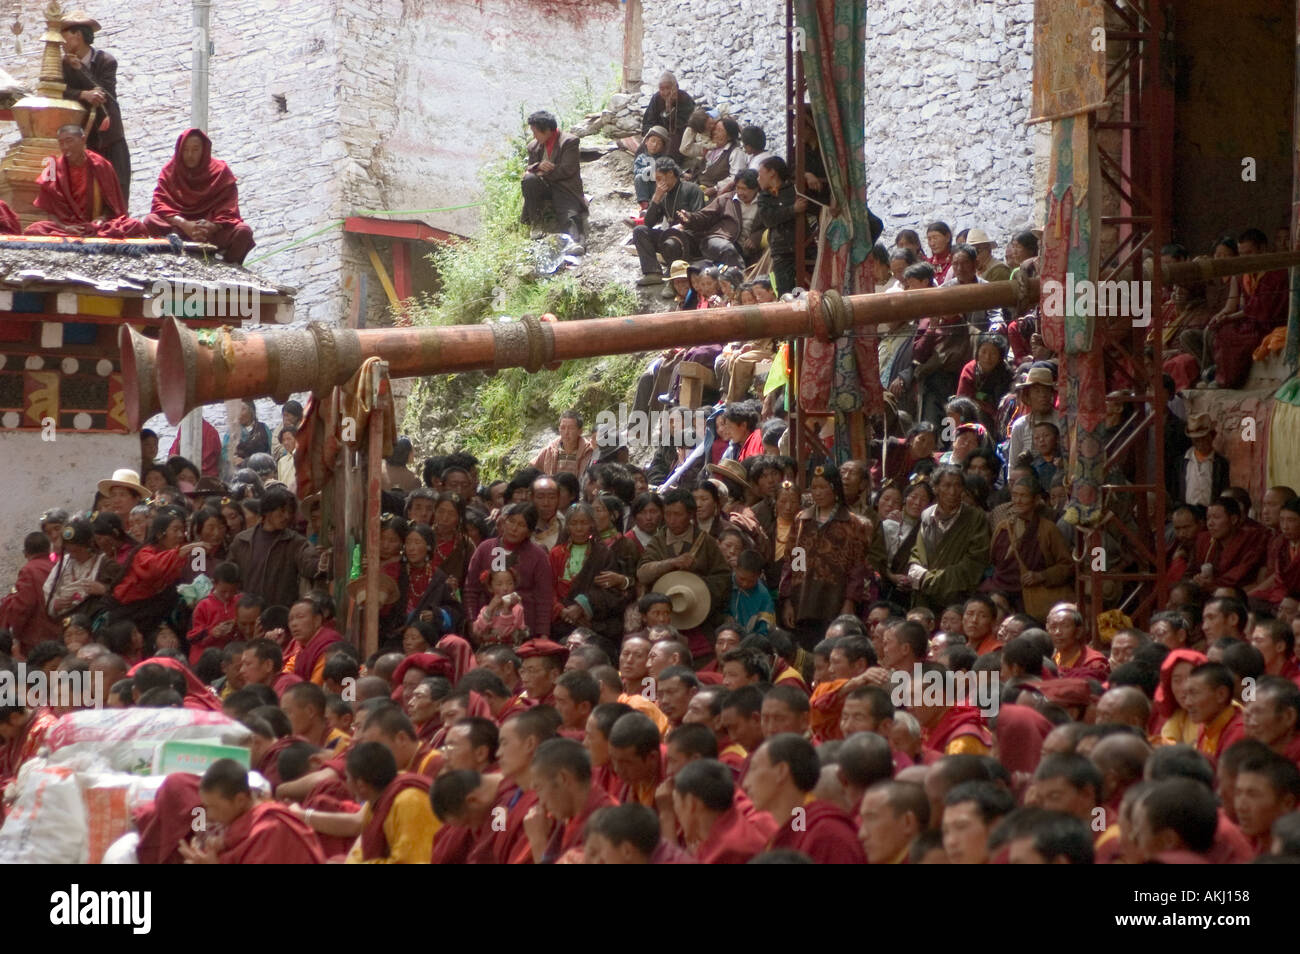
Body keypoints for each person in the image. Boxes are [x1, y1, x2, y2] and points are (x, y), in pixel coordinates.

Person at [744, 733, 866, 863]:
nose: (745, 783)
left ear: (781, 771)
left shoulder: (827, 836)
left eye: (753, 768)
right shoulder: (798, 824)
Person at [178, 760, 325, 864]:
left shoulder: (269, 829)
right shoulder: (241, 825)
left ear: (240, 800)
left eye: (214, 807)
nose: (209, 815)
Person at [142, 128, 255, 264]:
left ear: (204, 150)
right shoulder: (170, 171)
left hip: (210, 232)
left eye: (195, 150)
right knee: (150, 221)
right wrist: (184, 224)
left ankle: (229, 265)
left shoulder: (220, 172)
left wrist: (212, 226)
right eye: (186, 150)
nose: (190, 155)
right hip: (179, 230)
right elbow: (159, 204)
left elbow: (228, 207)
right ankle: (170, 259)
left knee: (243, 231)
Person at [24, 124, 146, 238]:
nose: (65, 147)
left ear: (83, 140)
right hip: (67, 228)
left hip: (98, 226)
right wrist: (66, 227)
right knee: (35, 229)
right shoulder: (53, 167)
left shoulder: (101, 165)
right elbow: (50, 211)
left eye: (69, 141)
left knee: (135, 225)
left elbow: (111, 203)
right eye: (61, 143)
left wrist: (101, 219)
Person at [58, 11, 129, 198]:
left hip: (109, 135)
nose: (62, 42)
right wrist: (82, 94)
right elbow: (59, 91)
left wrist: (79, 70)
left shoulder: (106, 61)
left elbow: (104, 94)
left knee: (117, 186)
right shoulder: (63, 66)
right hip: (85, 137)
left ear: (77, 36)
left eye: (65, 36)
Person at [905, 465, 991, 612]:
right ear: (935, 488)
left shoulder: (976, 518)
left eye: (958, 486)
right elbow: (918, 552)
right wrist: (914, 568)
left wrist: (928, 579)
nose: (952, 492)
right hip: (924, 598)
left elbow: (974, 563)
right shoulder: (927, 515)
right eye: (947, 485)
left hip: (957, 598)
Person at [522, 737, 618, 863]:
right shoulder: (569, 814)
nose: (541, 802)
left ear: (563, 778)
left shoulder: (606, 825)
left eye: (539, 788)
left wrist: (538, 841)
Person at [228, 487, 322, 611]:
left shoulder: (295, 542)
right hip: (247, 615)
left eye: (290, 512)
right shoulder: (241, 541)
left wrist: (321, 564)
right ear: (267, 511)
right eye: (282, 511)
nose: (286, 516)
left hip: (279, 615)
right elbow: (230, 576)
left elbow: (309, 564)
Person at [343, 741, 436, 864]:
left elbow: (410, 861)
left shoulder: (409, 800)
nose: (346, 784)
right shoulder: (379, 799)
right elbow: (364, 850)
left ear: (361, 786)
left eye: (347, 778)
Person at [632, 158, 705, 285]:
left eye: (660, 178)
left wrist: (682, 226)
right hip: (670, 237)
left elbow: (699, 217)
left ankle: (673, 280)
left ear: (670, 174)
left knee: (672, 242)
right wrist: (656, 198)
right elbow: (648, 223)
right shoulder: (664, 196)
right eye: (656, 180)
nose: (658, 183)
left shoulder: (692, 189)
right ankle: (653, 272)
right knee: (639, 231)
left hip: (690, 237)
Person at [521, 110, 586, 247]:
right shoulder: (534, 146)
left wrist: (541, 173)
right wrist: (539, 166)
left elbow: (567, 170)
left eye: (536, 132)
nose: (534, 136)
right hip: (544, 186)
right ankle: (536, 223)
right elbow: (529, 168)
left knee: (569, 216)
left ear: (547, 130)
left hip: (565, 187)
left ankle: (576, 245)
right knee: (529, 180)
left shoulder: (569, 142)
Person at [0, 533, 61, 657]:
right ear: (48, 549)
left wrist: (14, 633)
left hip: (37, 635)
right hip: (58, 630)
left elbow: (23, 606)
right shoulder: (57, 567)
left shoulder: (28, 571)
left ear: (25, 553)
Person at [757, 156, 804, 295]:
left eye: (761, 174)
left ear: (772, 173)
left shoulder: (793, 190)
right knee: (786, 291)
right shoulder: (764, 197)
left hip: (801, 244)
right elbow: (768, 219)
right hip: (780, 250)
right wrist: (792, 210)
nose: (758, 179)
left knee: (806, 288)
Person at [640, 72, 695, 162]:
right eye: (662, 89)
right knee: (647, 145)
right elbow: (648, 120)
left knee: (672, 145)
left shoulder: (685, 99)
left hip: (678, 135)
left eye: (668, 88)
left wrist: (669, 110)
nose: (665, 92)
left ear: (676, 87)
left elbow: (682, 126)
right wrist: (652, 135)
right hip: (659, 133)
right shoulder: (656, 98)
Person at [533, 410, 595, 479]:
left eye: (571, 428)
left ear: (580, 431)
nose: (566, 432)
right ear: (559, 429)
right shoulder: (551, 450)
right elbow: (532, 468)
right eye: (562, 428)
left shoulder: (588, 451)